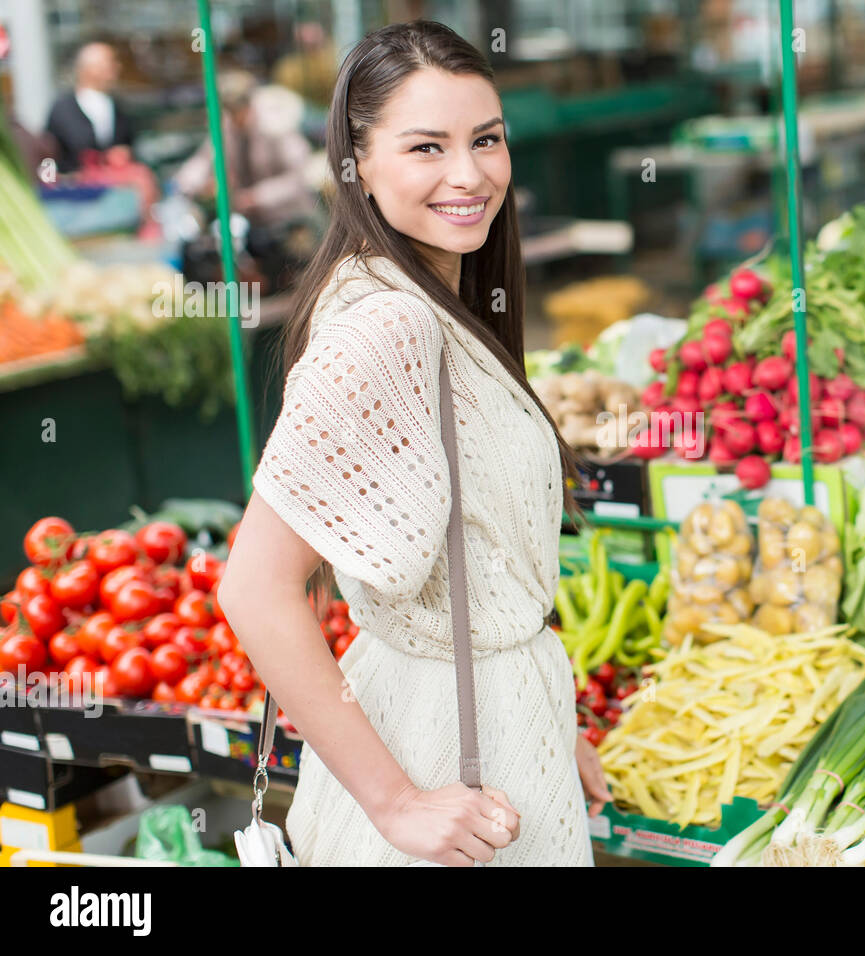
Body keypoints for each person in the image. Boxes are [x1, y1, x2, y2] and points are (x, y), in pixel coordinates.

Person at [218, 19, 609, 867]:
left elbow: (478, 563)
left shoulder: (432, 300)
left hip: (482, 736)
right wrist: (396, 804)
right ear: (356, 164)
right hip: (442, 761)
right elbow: (253, 587)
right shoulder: (390, 324)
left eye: (487, 140)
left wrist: (542, 715)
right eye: (426, 147)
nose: (469, 175)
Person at [171, 70, 317, 229]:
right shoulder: (226, 128)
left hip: (292, 221)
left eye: (235, 108)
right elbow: (204, 159)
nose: (231, 114)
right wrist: (188, 185)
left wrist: (257, 197)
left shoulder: (275, 125)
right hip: (252, 224)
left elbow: (300, 176)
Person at [45, 41, 135, 173]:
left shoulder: (119, 108)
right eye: (109, 63)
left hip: (114, 187)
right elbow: (48, 155)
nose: (117, 67)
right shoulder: (62, 109)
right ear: (89, 68)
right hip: (72, 188)